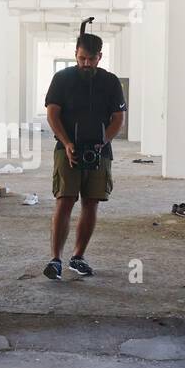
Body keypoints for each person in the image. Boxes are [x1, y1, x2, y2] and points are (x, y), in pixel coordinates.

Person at [41, 26, 126, 280]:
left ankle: (78, 257)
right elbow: (52, 114)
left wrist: (103, 141)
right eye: (81, 58)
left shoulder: (110, 82)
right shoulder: (62, 78)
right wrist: (67, 143)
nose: (86, 63)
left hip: (100, 151)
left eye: (91, 59)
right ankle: (55, 259)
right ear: (75, 54)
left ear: (100, 56)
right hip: (67, 149)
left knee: (91, 203)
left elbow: (118, 118)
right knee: (64, 200)